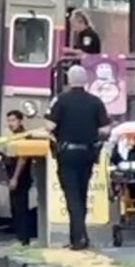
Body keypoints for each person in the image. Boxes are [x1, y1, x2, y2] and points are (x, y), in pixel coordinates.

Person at [44, 65, 112, 250]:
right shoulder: (96, 102)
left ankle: (78, 238)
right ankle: (79, 237)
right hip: (88, 153)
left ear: (69, 80)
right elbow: (105, 129)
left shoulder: (61, 101)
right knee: (82, 194)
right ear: (85, 81)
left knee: (72, 195)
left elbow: (49, 126)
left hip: (67, 154)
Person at [4, 110, 36, 245]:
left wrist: (15, 178)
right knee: (15, 207)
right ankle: (19, 235)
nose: (11, 123)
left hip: (21, 176)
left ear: (20, 121)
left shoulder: (23, 136)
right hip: (13, 173)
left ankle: (23, 238)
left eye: (13, 120)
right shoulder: (13, 136)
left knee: (20, 206)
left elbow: (23, 159)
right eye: (9, 121)